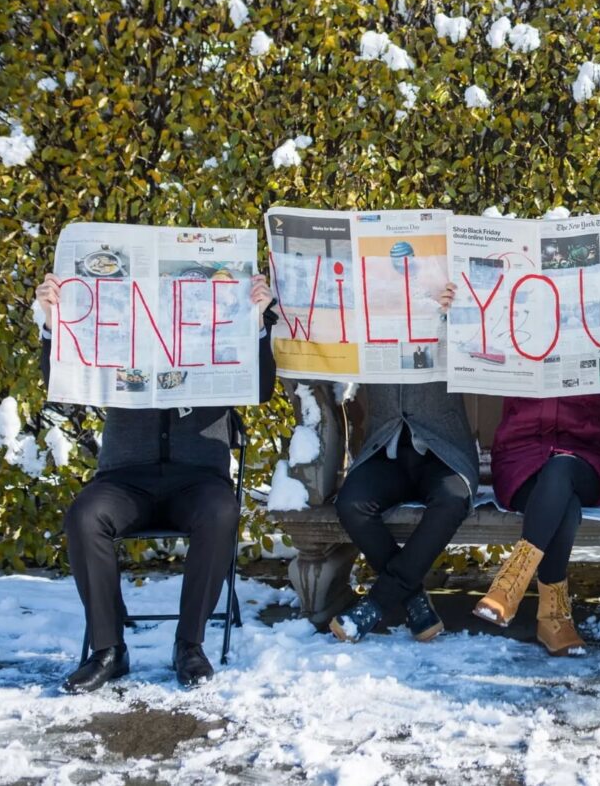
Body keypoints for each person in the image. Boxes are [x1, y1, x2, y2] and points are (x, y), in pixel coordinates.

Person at [35, 270, 277, 693]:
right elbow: (62, 379)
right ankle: (108, 650)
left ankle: (190, 645)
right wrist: (53, 321)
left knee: (221, 511)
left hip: (199, 480)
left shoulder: (223, 327)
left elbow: (260, 389)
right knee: (85, 515)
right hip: (125, 479)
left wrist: (256, 322)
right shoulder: (119, 326)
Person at [328, 293, 479, 644]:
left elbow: (483, 347)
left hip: (443, 449)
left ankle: (378, 603)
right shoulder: (366, 293)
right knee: (351, 503)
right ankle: (413, 599)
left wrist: (455, 313)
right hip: (387, 447)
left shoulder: (451, 295)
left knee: (453, 499)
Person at [473, 392, 600, 656]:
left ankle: (510, 584)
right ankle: (554, 617)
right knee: (566, 505)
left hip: (584, 455)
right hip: (520, 456)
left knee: (561, 467)